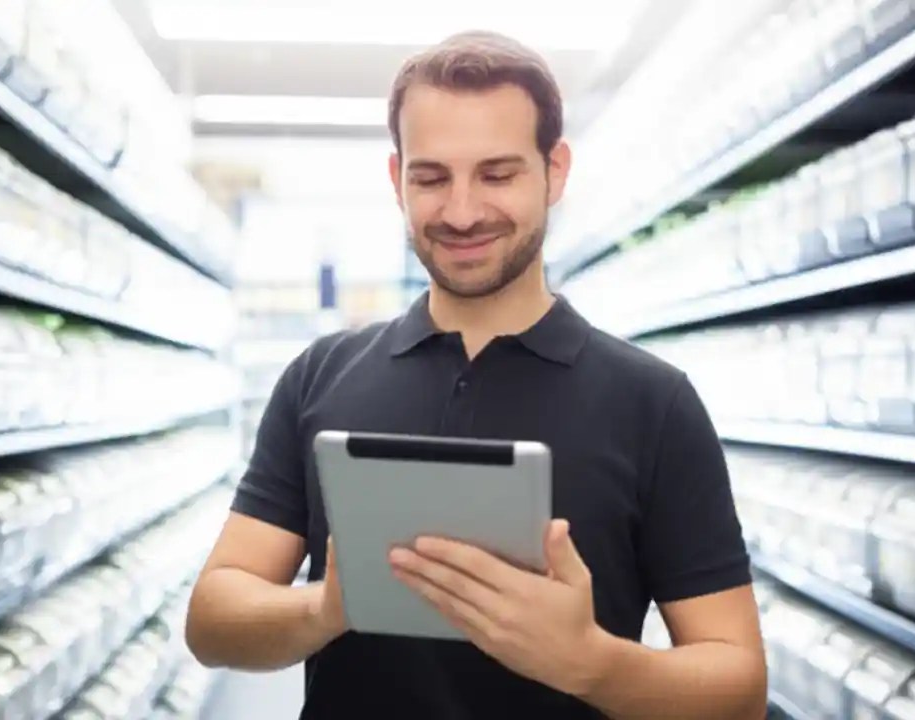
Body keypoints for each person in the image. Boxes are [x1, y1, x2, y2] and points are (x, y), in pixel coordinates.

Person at [185, 30, 767, 720]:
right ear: (396, 178)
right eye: (431, 177)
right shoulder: (319, 377)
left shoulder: (655, 402)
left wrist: (592, 662)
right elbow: (213, 621)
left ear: (555, 171)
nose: (461, 211)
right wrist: (328, 606)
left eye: (497, 174)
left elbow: (739, 687)